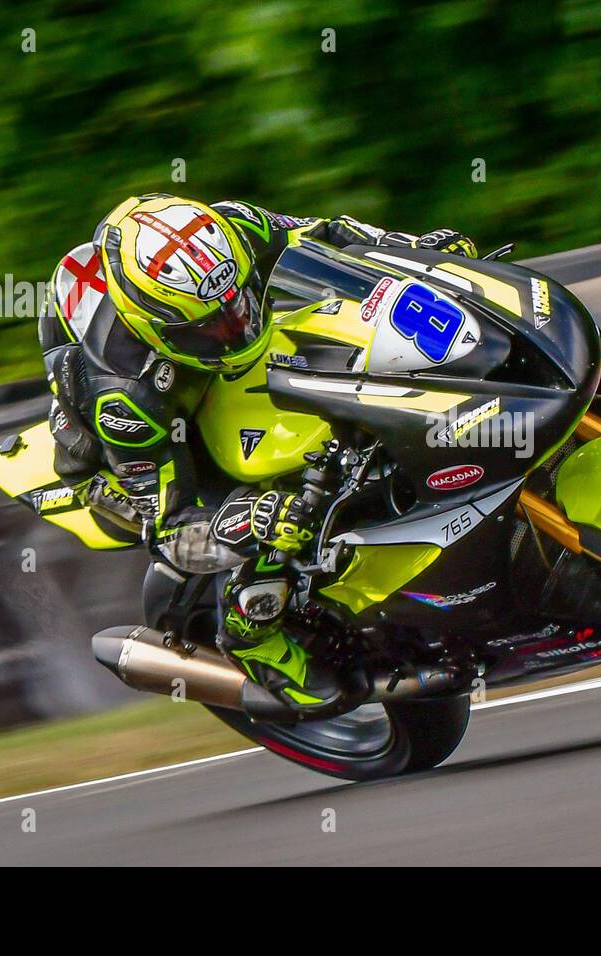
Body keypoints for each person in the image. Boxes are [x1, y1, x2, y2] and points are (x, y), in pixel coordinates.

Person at [38, 193, 478, 715]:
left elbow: (333, 236)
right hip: (133, 461)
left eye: (239, 302)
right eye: (209, 326)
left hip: (201, 379)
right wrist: (247, 520)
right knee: (276, 519)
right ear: (158, 328)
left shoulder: (231, 231)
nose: (234, 326)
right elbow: (173, 531)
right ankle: (254, 639)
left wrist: (419, 253)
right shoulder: (123, 393)